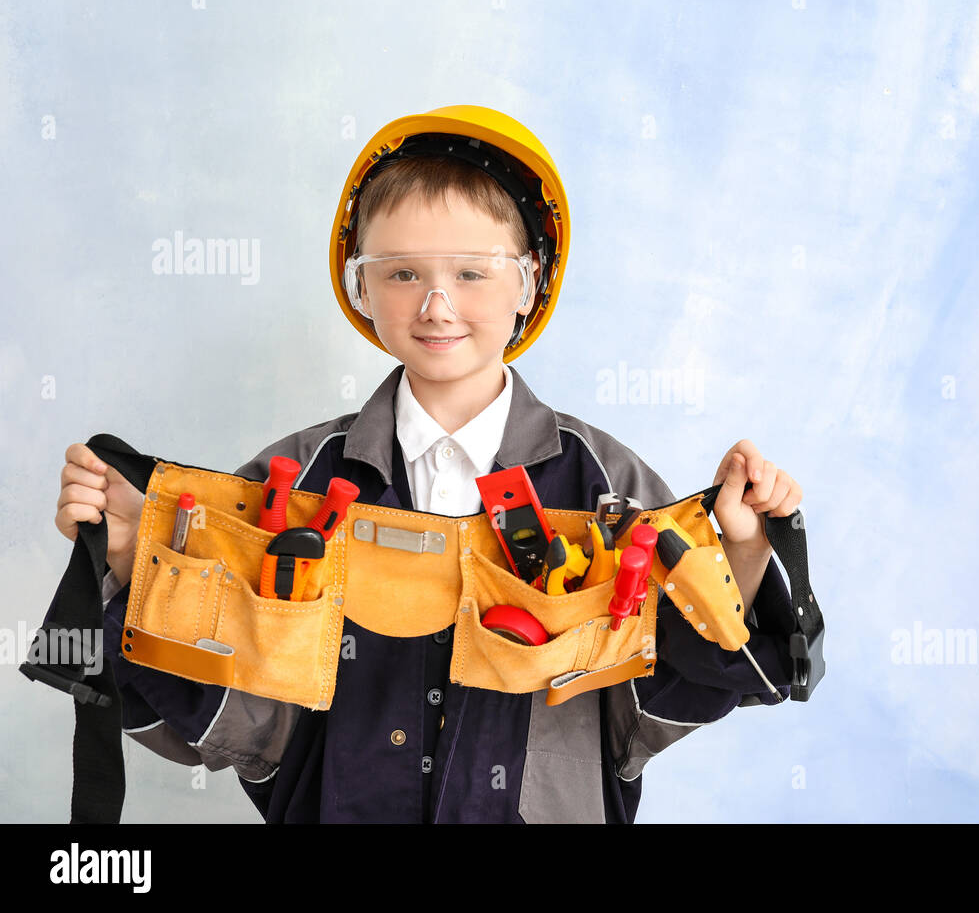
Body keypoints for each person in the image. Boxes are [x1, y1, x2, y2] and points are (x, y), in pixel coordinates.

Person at [53, 105, 804, 823]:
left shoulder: (610, 489)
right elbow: (237, 727)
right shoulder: (293, 478)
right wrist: (133, 561)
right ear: (361, 288)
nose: (437, 307)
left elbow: (664, 702)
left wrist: (739, 551)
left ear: (528, 281)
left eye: (472, 273)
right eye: (402, 273)